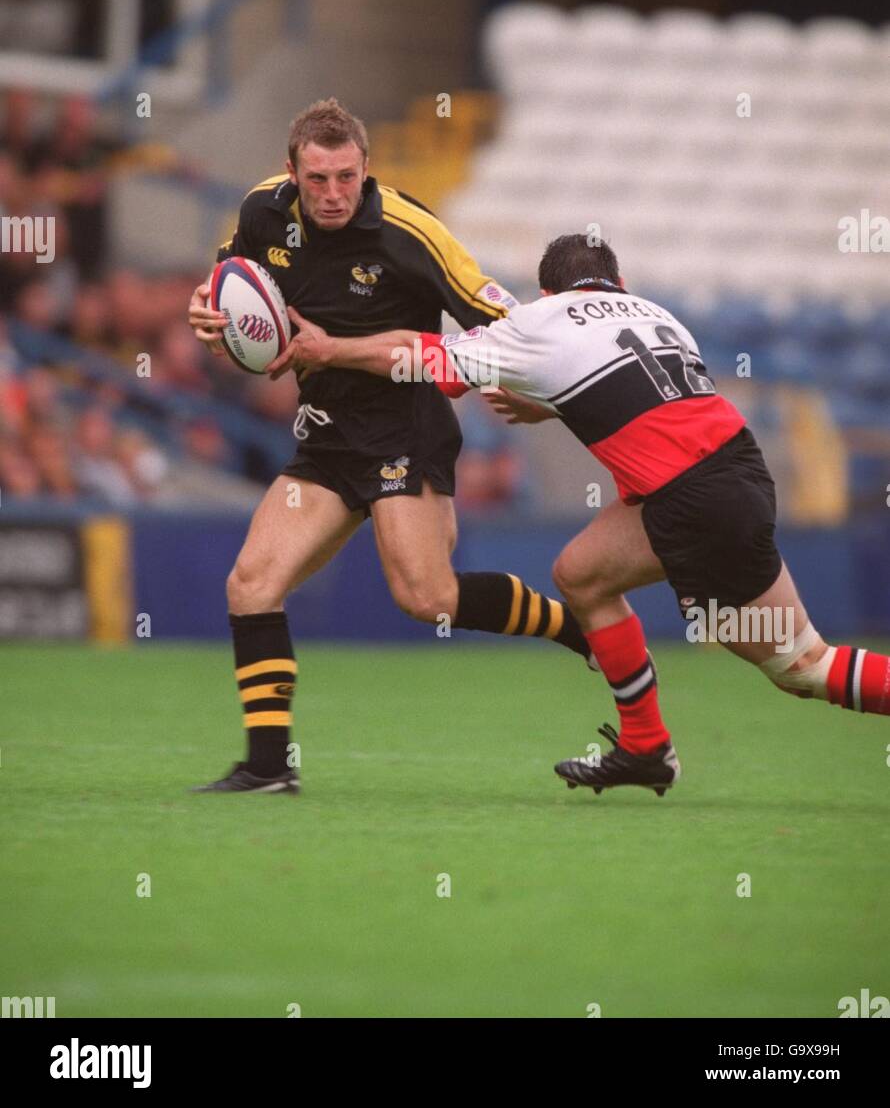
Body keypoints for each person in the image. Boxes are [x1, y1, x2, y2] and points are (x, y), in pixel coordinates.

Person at [282, 230, 890, 797]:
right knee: (581, 574)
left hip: (692, 497)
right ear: (616, 282)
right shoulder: (658, 314)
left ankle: (650, 745)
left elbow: (419, 353)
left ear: (549, 291)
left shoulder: (539, 319)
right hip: (736, 469)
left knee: (803, 667)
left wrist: (330, 349)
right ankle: (646, 746)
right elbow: (648, 390)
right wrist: (550, 406)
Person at [186, 101, 595, 795]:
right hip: (324, 434)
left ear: (367, 168)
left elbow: (508, 323)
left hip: (407, 426)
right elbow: (230, 280)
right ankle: (267, 766)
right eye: (317, 179)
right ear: (292, 174)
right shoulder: (262, 212)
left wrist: (533, 395)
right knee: (250, 584)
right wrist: (210, 313)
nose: (334, 193)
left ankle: (570, 624)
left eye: (347, 176)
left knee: (427, 598)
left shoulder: (413, 232)